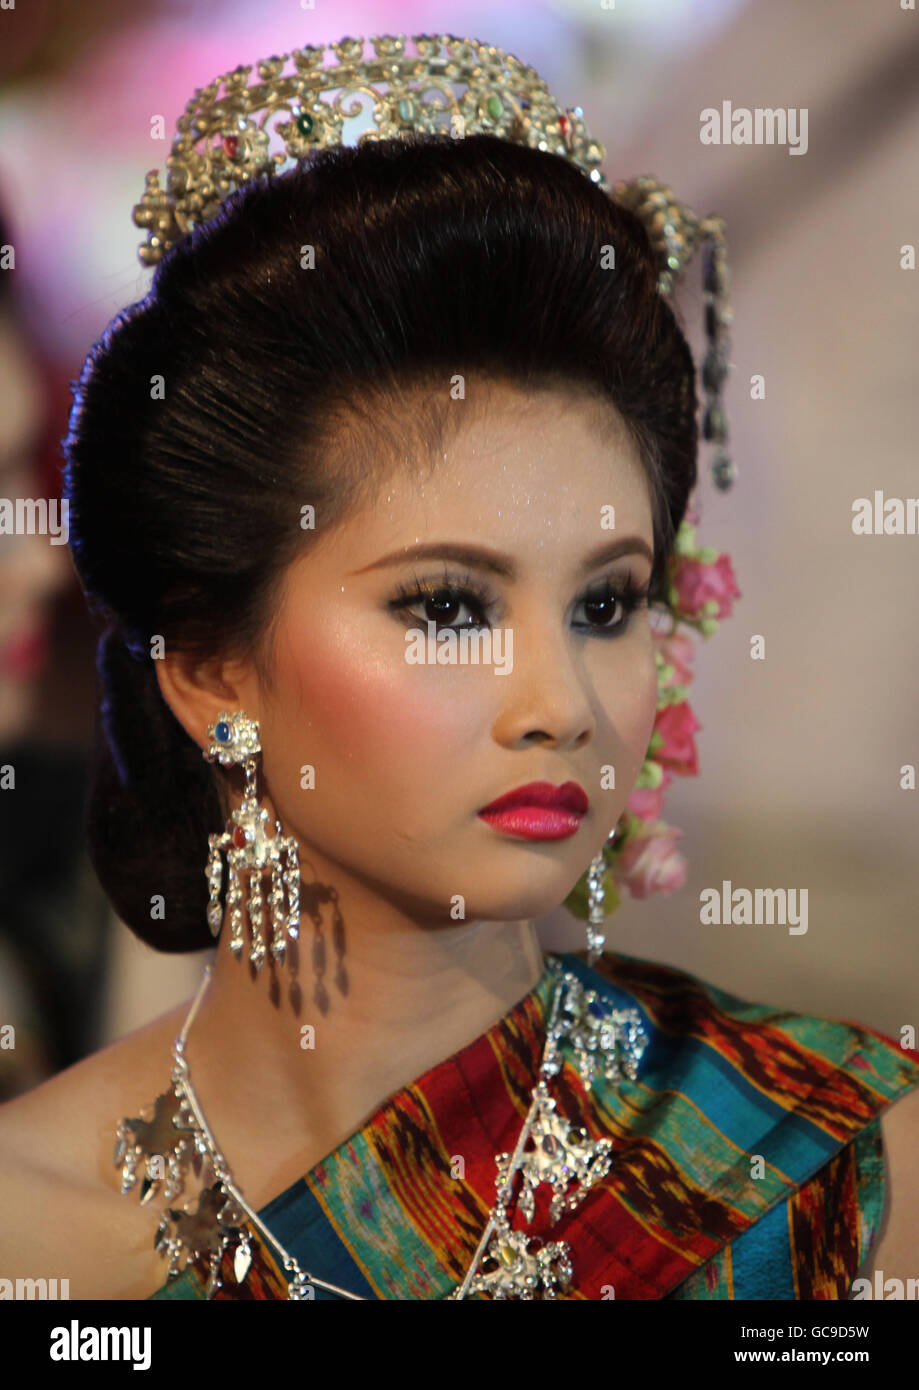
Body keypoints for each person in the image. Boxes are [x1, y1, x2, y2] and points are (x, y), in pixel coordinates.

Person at [0, 36, 916, 1302]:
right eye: (444, 606)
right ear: (212, 666)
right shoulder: (29, 1237)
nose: (559, 705)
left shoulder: (833, 1157)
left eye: (606, 602)